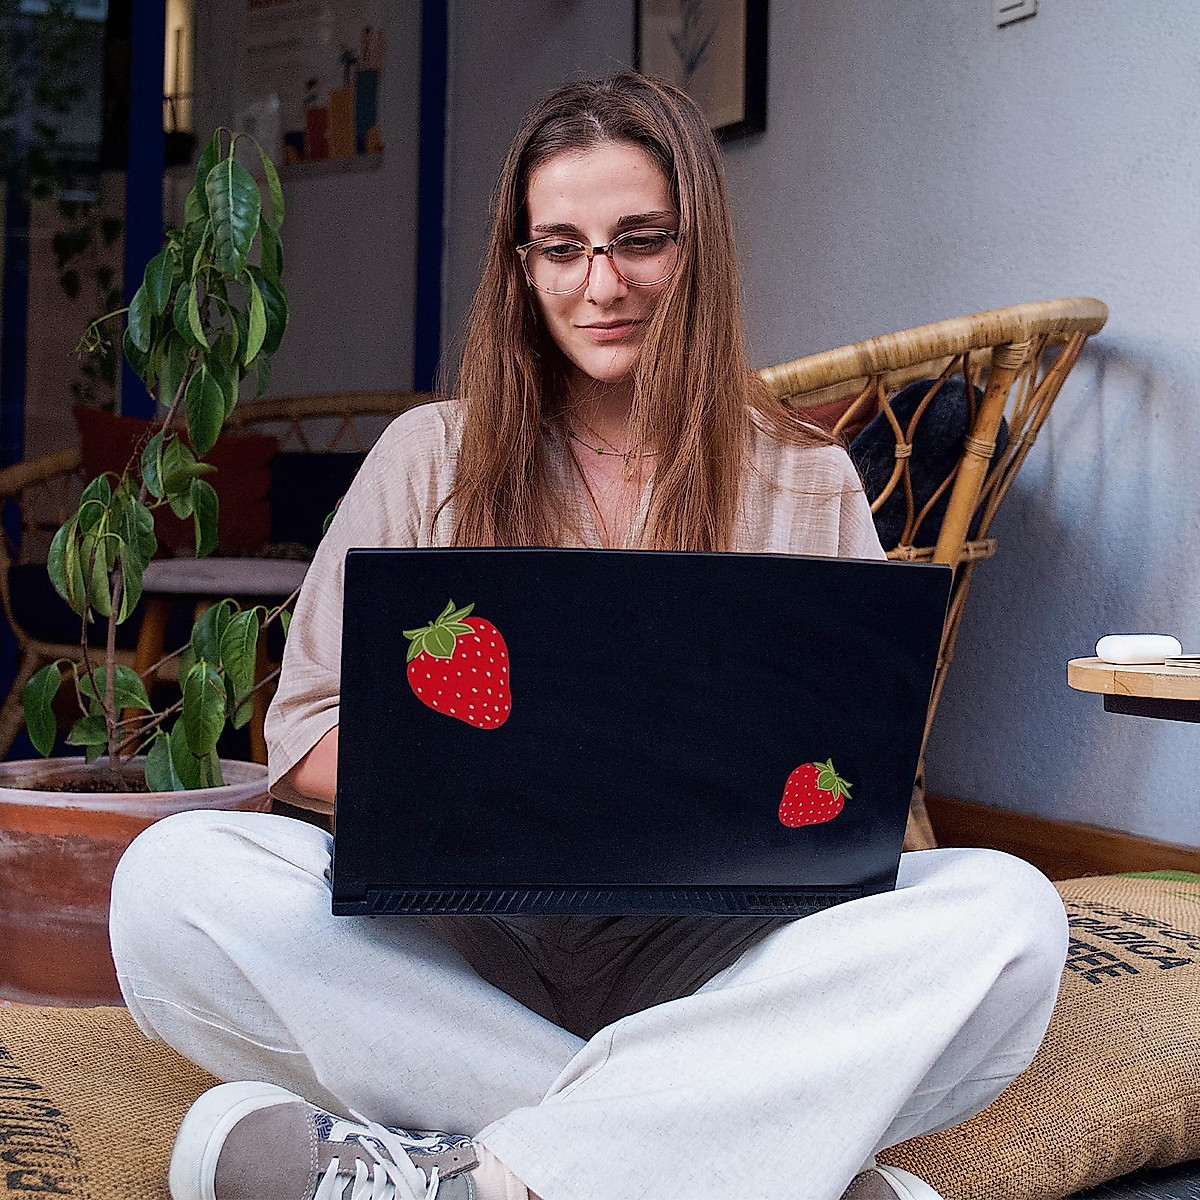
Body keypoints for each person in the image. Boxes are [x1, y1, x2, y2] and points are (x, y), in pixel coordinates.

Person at [109, 72, 1068, 1200]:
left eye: (640, 240)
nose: (601, 284)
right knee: (172, 880)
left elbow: (856, 768)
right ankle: (726, 1155)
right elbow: (305, 735)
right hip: (464, 940)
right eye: (560, 249)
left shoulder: (807, 482)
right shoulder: (427, 455)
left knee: (1009, 916)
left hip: (719, 948)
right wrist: (522, 781)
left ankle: (484, 1178)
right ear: (520, 268)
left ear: (697, 248)